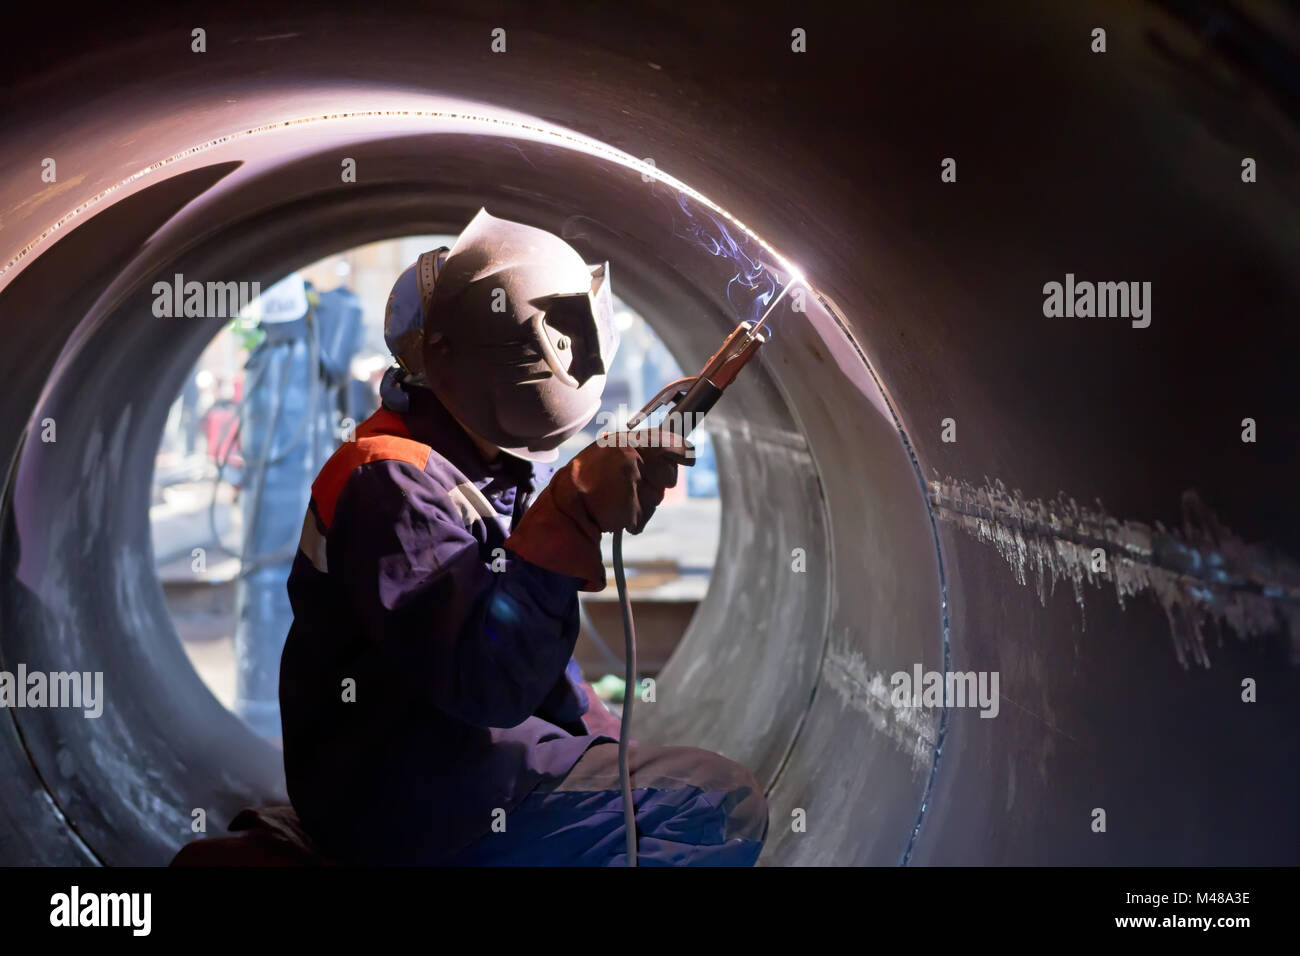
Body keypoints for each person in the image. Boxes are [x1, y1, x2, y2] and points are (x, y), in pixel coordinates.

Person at [277, 209, 768, 866]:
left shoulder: (478, 466)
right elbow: (486, 681)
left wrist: (604, 740)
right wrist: (567, 518)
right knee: (711, 803)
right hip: (408, 795)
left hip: (456, 764)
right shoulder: (390, 481)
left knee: (667, 782)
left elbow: (529, 660)